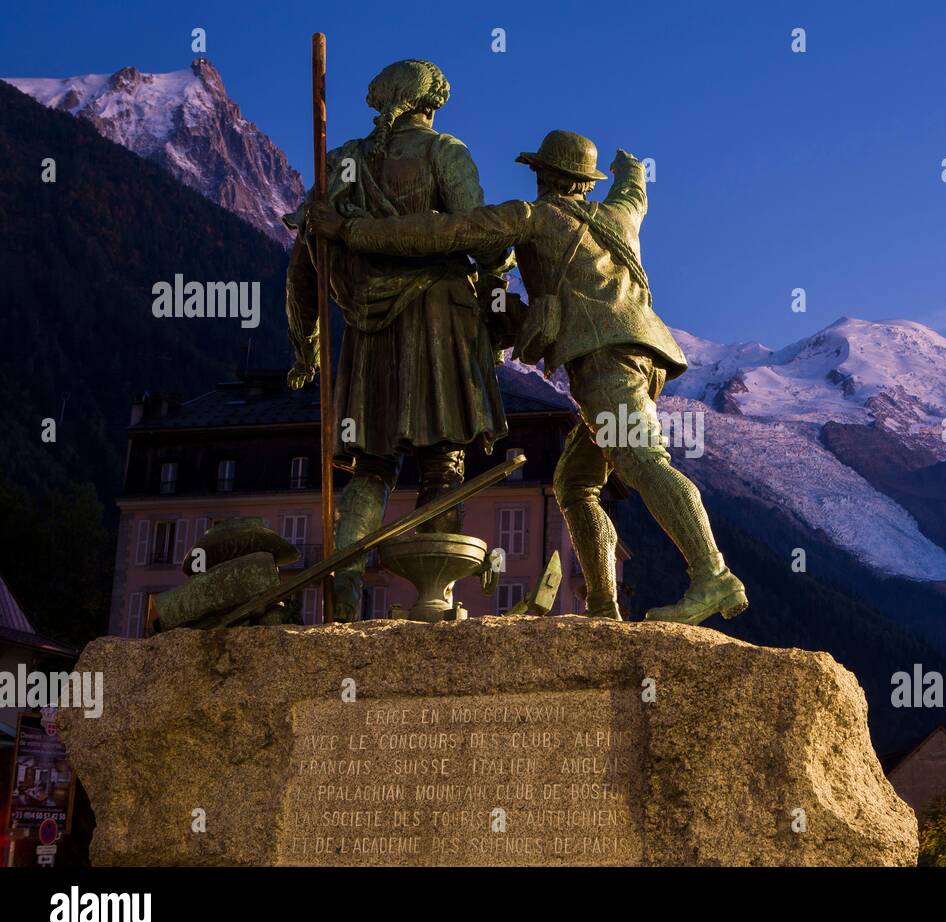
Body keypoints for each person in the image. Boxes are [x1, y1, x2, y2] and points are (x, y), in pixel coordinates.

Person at [308, 130, 747, 626]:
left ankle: (712, 575)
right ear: (585, 180)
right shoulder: (623, 215)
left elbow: (446, 233)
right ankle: (603, 606)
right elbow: (634, 188)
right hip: (644, 360)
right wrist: (630, 167)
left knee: (642, 460)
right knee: (576, 482)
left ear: (542, 174)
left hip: (604, 364)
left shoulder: (532, 216)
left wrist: (351, 232)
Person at [285, 59, 513, 622]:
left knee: (372, 467)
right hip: (442, 317)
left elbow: (303, 262)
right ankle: (436, 600)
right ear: (432, 103)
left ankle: (344, 591)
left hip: (369, 331)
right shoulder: (446, 153)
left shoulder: (341, 163)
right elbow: (480, 237)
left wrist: (305, 342)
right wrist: (499, 292)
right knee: (443, 460)